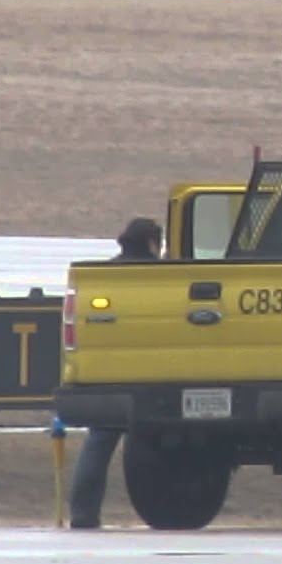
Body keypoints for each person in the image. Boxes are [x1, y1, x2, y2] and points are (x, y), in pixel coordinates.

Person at [68, 216, 163, 529]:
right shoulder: (160, 279)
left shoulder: (103, 276)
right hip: (153, 376)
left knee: (99, 442)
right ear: (151, 243)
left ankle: (83, 515)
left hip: (108, 373)